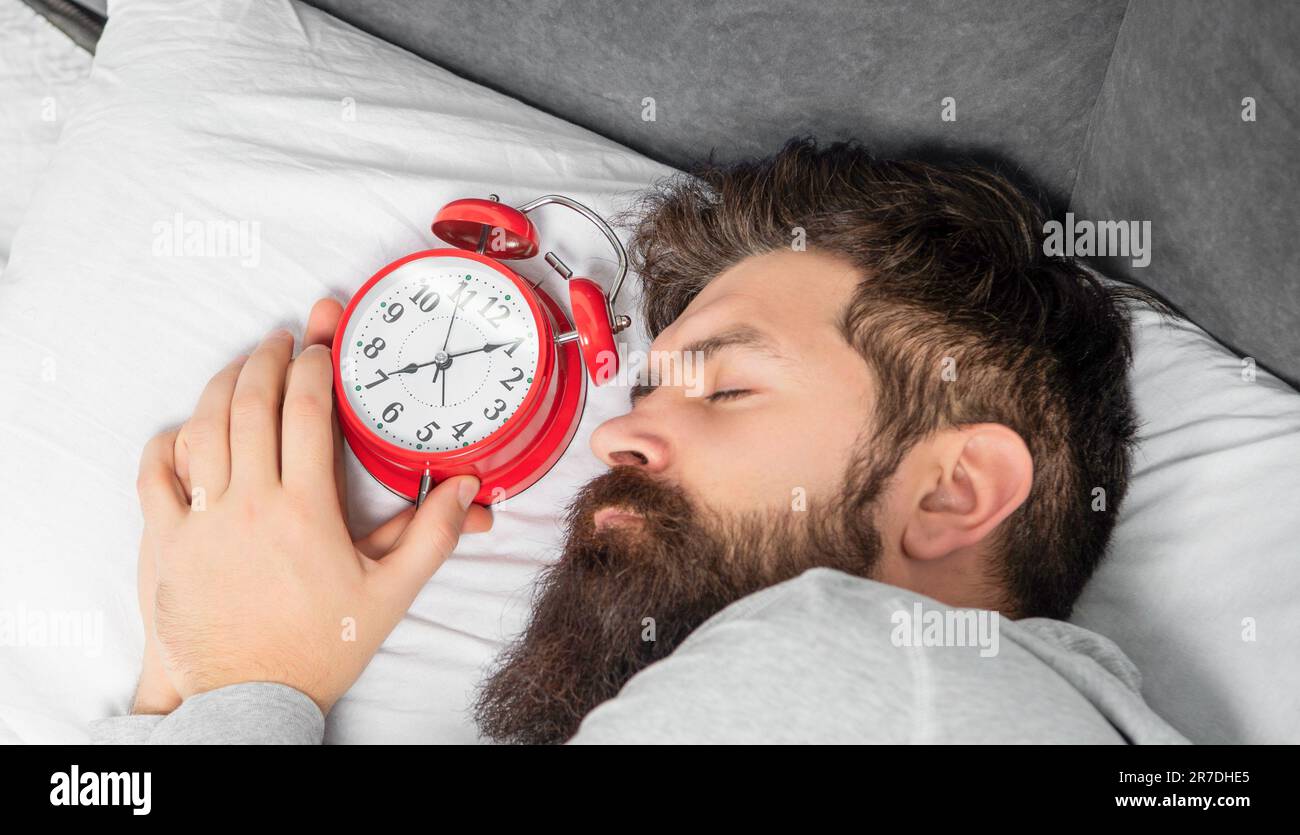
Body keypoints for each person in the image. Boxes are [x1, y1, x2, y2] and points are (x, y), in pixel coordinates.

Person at [92, 138, 1188, 744]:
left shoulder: (852, 666)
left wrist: (233, 686)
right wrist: (192, 688)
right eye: (648, 387)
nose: (615, 430)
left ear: (950, 491)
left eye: (725, 390)